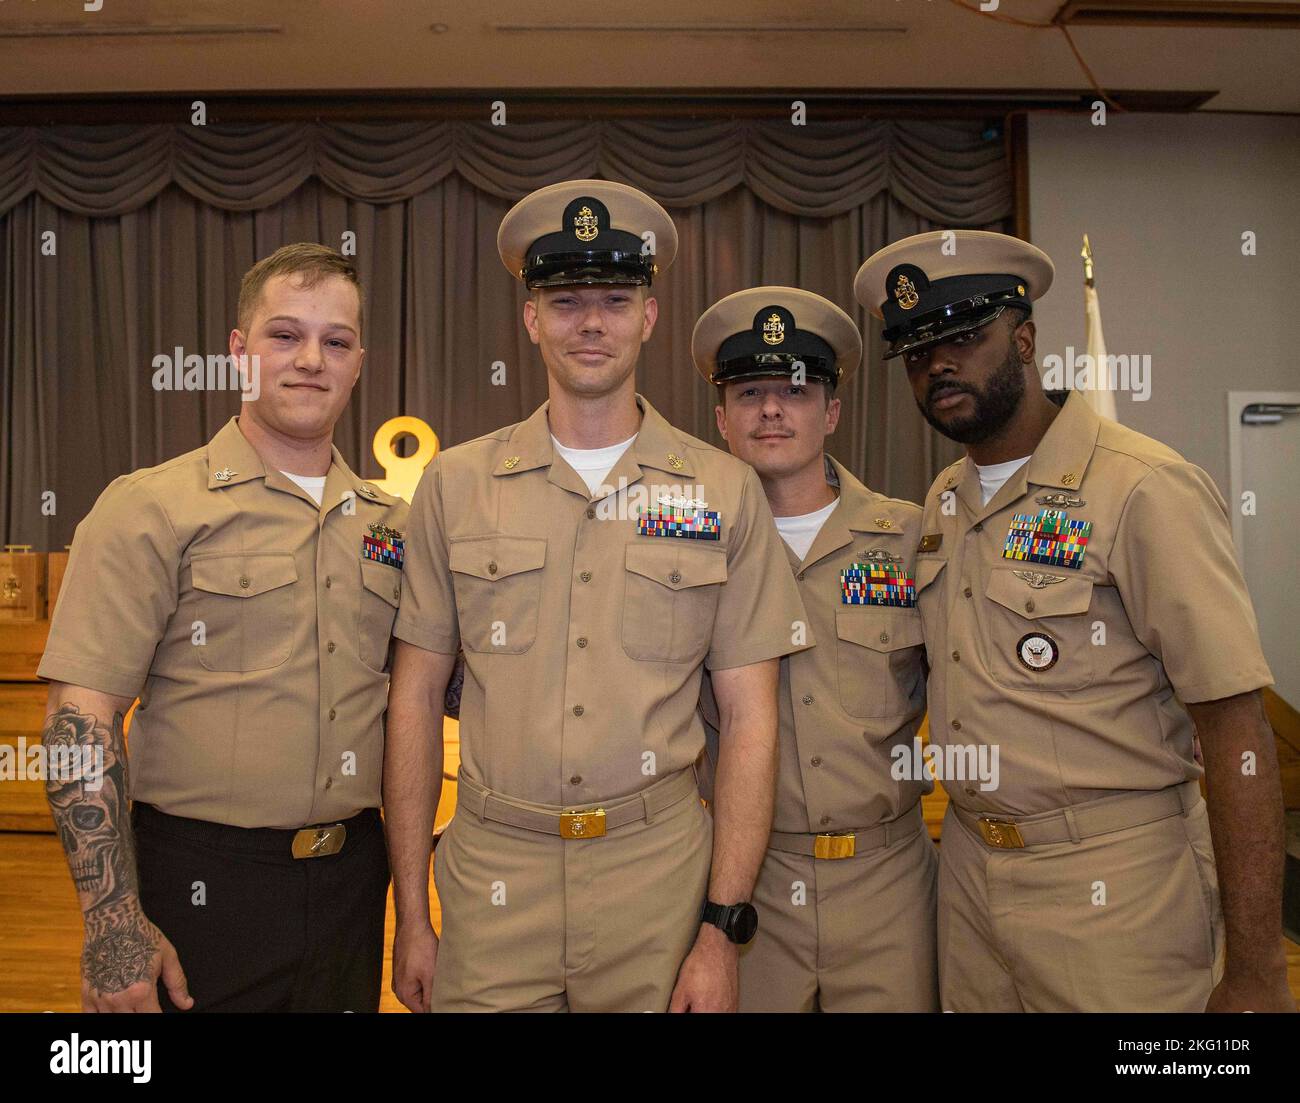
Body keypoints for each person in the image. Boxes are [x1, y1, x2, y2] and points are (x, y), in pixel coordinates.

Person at [385, 180, 810, 1012]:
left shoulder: (723, 488)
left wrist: (721, 930)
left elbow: (753, 719)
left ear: (649, 317)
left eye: (615, 300)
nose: (591, 322)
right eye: (566, 299)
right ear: (531, 319)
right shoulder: (456, 484)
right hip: (492, 876)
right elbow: (413, 698)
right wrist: (410, 912)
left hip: (656, 883)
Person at [852, 229, 1293, 1012]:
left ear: (1023, 338)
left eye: (963, 337)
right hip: (970, 881)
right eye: (918, 351)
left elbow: (1236, 729)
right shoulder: (941, 504)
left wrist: (1258, 968)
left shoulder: (1141, 487)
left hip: (1117, 889)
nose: (939, 365)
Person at [38, 243, 405, 1012]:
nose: (311, 359)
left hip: (351, 883)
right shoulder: (153, 506)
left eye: (335, 341)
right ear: (239, 353)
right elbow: (81, 717)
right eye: (284, 335)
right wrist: (113, 922)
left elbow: (438, 687)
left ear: (358, 361)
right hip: (201, 886)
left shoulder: (390, 525)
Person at [695, 286, 939, 1011]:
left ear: (830, 411)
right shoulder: (684, 548)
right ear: (721, 418)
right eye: (749, 391)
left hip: (888, 883)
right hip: (743, 886)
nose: (772, 409)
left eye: (794, 391)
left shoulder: (911, 538)